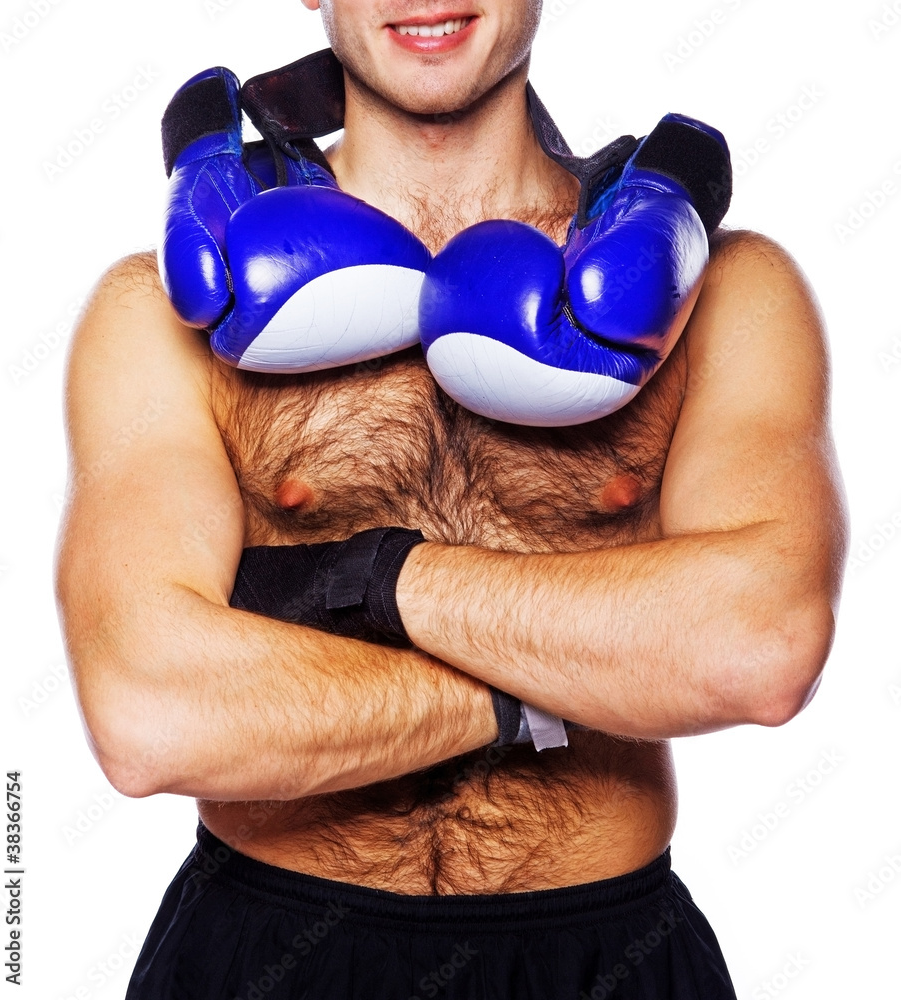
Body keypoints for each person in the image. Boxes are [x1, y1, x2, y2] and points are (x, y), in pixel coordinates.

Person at [55, 1, 846, 997]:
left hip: (605, 956)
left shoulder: (724, 293)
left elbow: (758, 645)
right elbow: (149, 715)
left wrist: (371, 582)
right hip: (265, 950)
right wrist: (563, 683)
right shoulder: (157, 311)